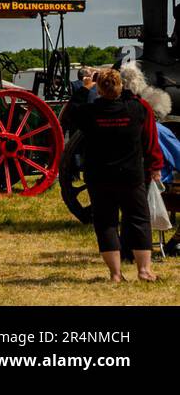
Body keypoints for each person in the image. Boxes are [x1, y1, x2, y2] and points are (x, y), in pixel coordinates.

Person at [69, 68, 162, 282]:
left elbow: (72, 112)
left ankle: (115, 274)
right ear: (121, 87)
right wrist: (155, 165)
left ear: (99, 89)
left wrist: (85, 89)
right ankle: (144, 271)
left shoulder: (89, 113)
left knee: (106, 223)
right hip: (131, 176)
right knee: (139, 220)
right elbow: (149, 137)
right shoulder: (136, 109)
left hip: (99, 176)